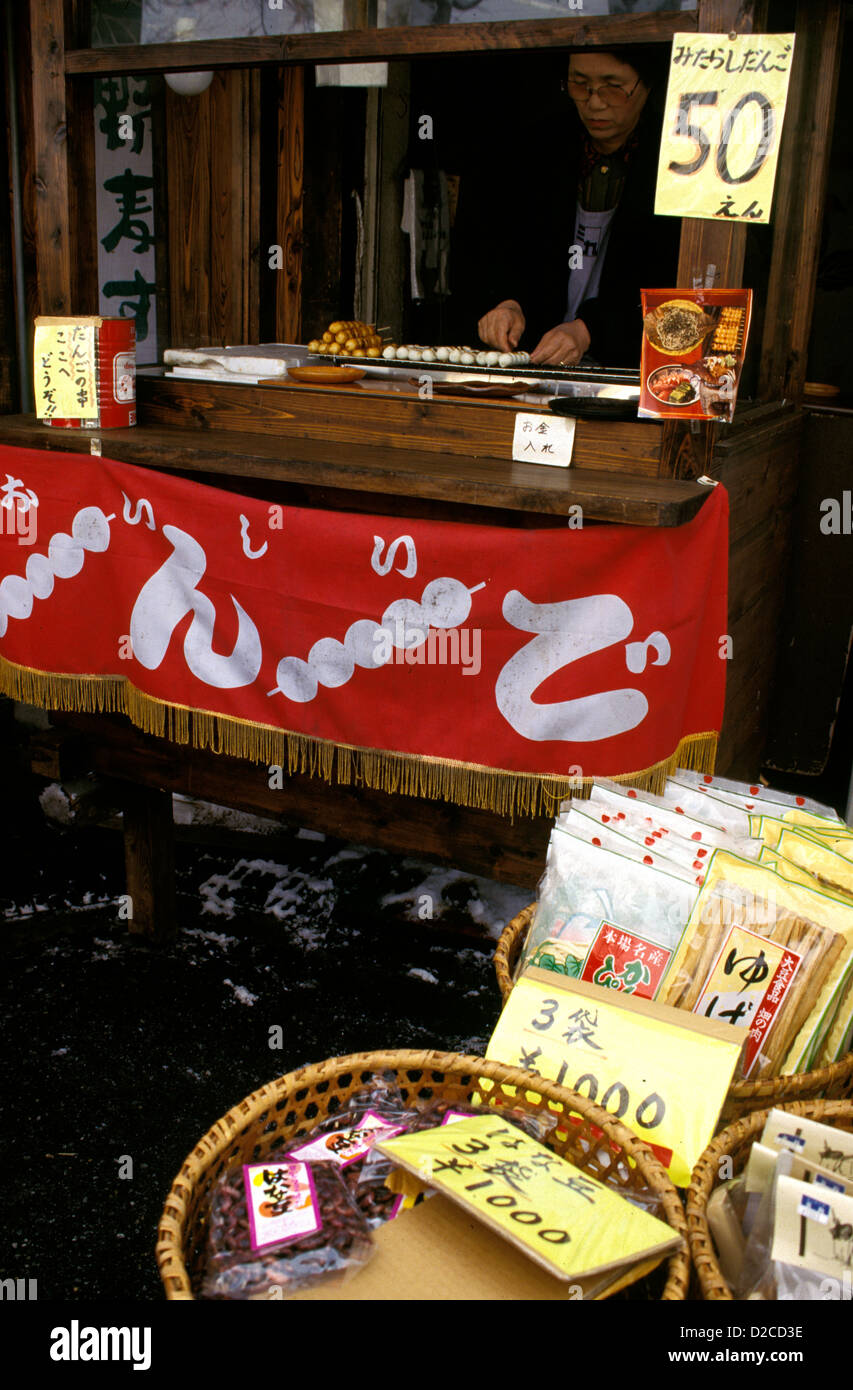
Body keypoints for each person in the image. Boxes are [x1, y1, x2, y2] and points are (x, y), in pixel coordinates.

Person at [475, 47, 681, 367]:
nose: (594, 102)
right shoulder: (535, 153)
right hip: (535, 363)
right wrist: (508, 302)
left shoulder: (679, 162)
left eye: (613, 86)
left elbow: (676, 285)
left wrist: (590, 330)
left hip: (633, 370)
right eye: (580, 84)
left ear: (648, 82)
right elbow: (501, 245)